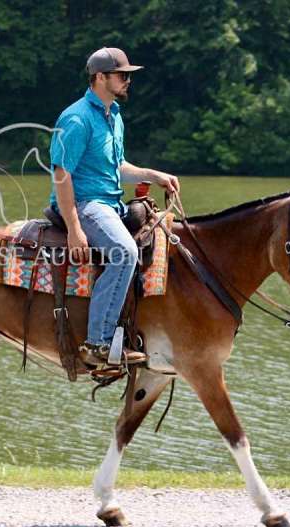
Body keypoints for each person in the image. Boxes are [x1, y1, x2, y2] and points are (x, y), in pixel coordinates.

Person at [48, 47, 180, 366]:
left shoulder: (113, 115)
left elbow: (117, 165)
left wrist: (153, 174)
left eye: (128, 76)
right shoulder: (77, 118)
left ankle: (137, 327)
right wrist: (75, 228)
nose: (127, 81)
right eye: (122, 75)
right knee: (125, 253)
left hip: (110, 202)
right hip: (86, 203)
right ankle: (99, 342)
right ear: (100, 78)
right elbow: (62, 174)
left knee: (162, 232)